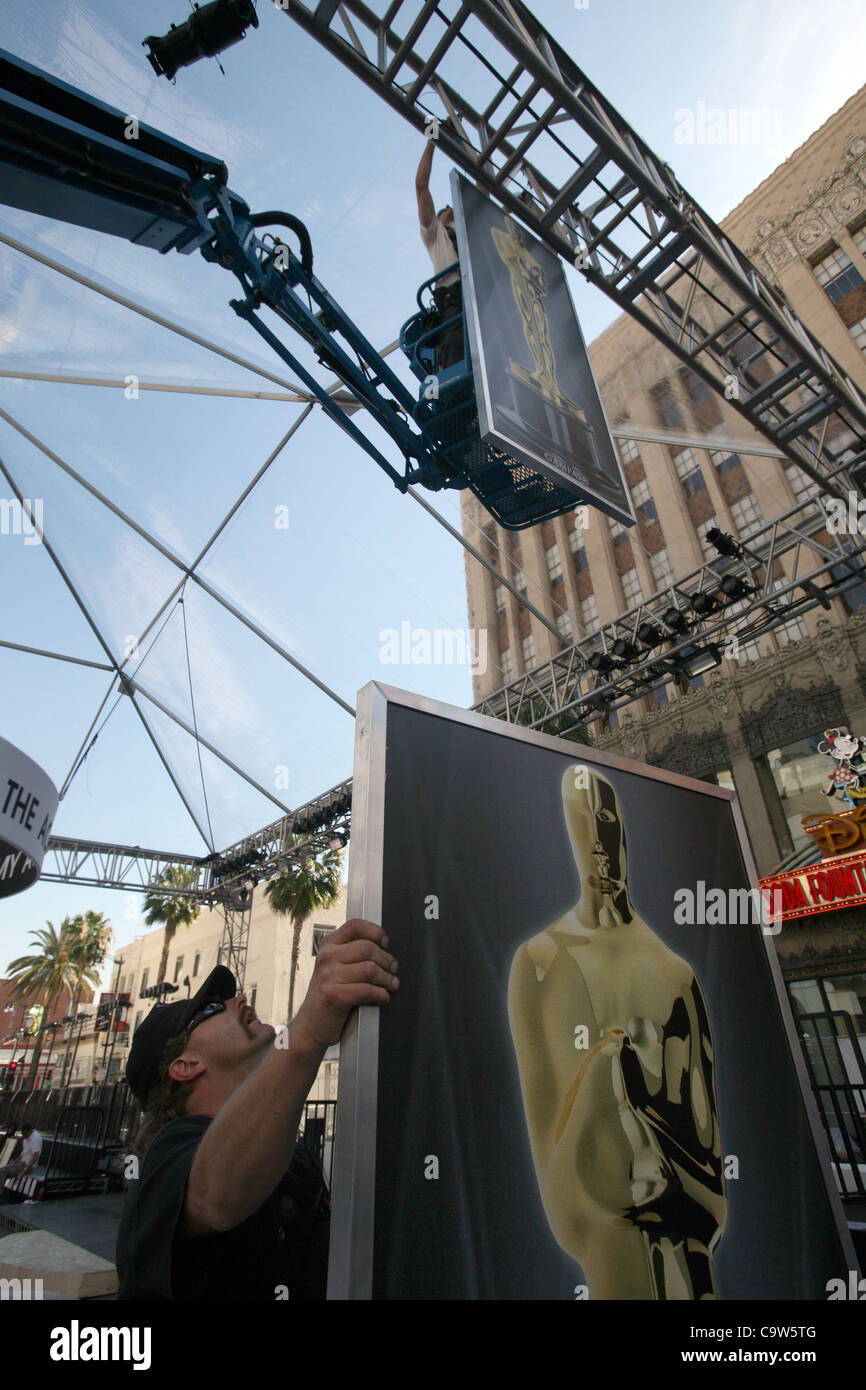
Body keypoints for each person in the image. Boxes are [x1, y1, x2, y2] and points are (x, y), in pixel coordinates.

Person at [116, 917, 398, 1299]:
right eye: (214, 1007)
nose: (240, 1000)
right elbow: (213, 1197)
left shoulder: (291, 1154)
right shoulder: (162, 1160)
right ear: (184, 1065)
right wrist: (309, 1030)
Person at [415, 137, 465, 370]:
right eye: (444, 208)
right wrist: (432, 142)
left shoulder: (472, 236)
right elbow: (421, 185)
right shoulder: (436, 234)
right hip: (453, 300)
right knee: (455, 350)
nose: (448, 208)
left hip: (480, 301)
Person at [0, 1123, 42, 1191]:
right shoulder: (26, 1138)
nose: (24, 1137)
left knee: (3, 1171)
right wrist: (14, 1163)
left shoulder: (36, 1138)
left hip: (27, 1166)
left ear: (30, 1131)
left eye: (25, 1134)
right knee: (4, 1171)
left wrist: (24, 1170)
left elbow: (36, 1155)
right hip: (21, 1164)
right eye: (23, 1134)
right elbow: (23, 1153)